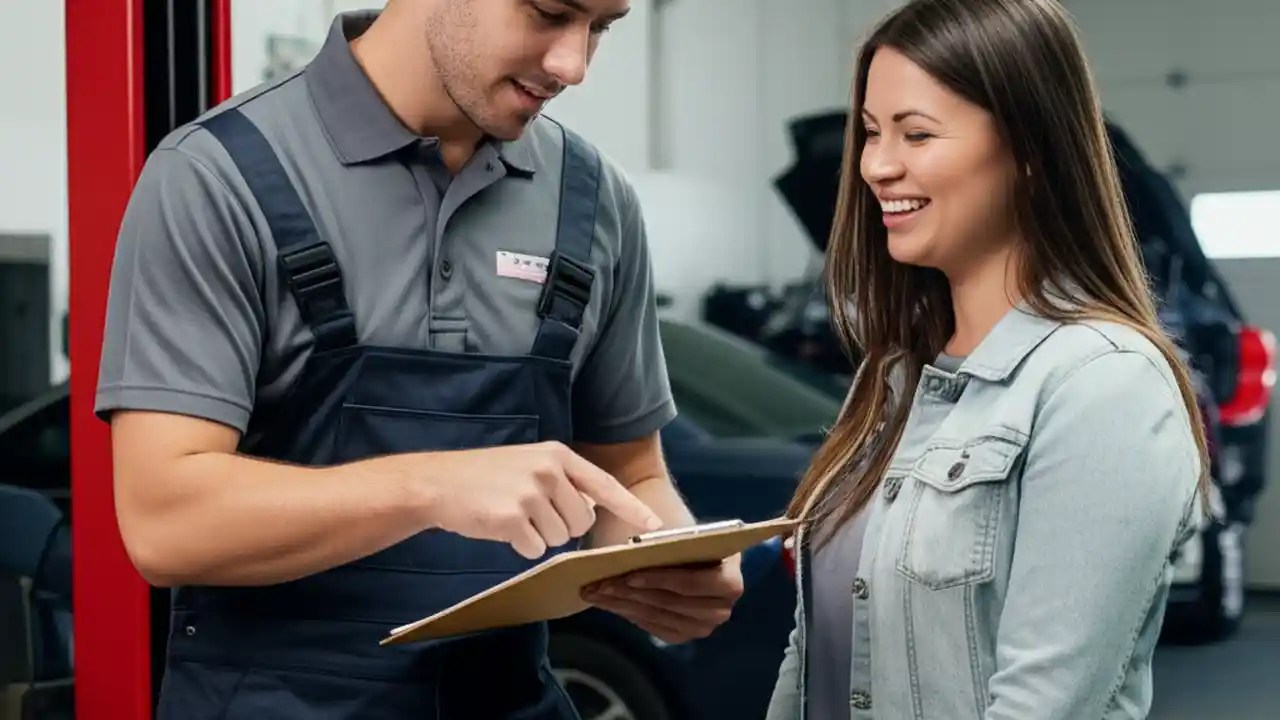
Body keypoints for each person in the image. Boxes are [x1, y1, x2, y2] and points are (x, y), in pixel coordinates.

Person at [95, 2, 743, 718]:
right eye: (550, 12)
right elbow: (164, 522)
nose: (573, 65)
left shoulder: (594, 201)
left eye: (601, 26)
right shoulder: (218, 179)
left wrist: (665, 556)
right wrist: (429, 487)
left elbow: (630, 472)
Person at [765, 0, 1206, 718]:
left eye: (916, 133)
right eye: (871, 133)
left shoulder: (1104, 385)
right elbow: (814, 658)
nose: (877, 165)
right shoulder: (890, 382)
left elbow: (1047, 703)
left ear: (1030, 149)